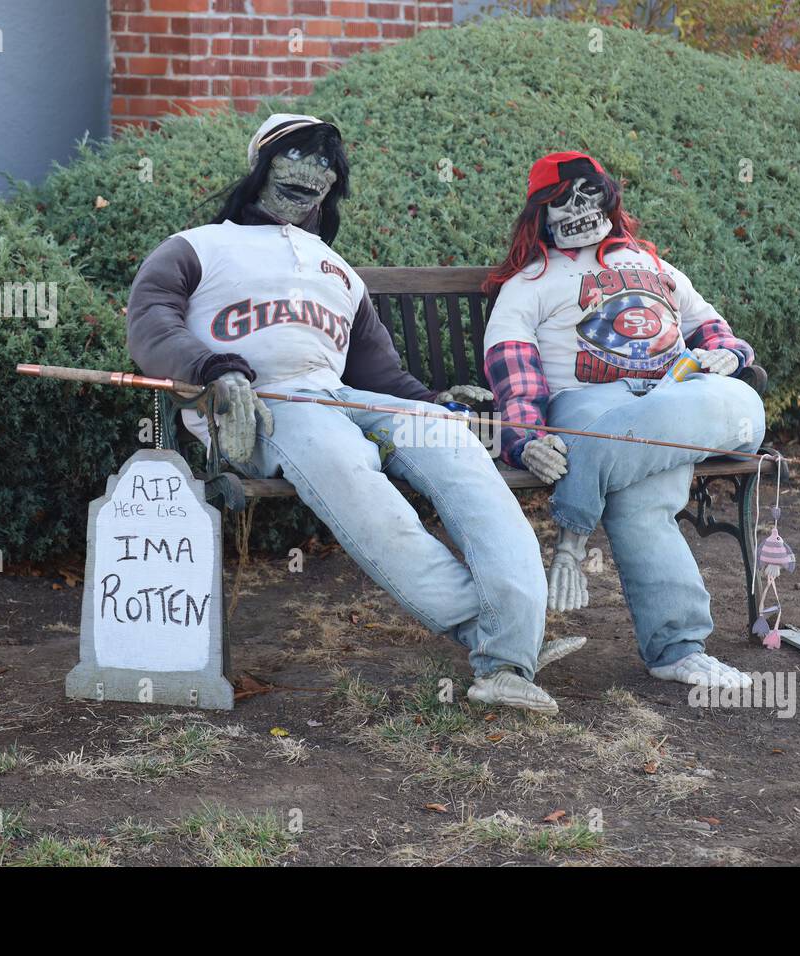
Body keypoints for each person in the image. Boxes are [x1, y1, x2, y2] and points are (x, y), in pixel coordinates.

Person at [125, 115, 581, 714]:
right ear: (261, 162)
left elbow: (380, 375)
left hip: (344, 400)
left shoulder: (337, 271)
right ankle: (496, 642)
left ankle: (511, 649)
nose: (312, 174)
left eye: (325, 164)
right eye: (298, 157)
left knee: (454, 445)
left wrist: (440, 407)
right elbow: (150, 318)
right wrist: (214, 369)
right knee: (350, 470)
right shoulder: (196, 246)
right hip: (263, 407)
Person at [483, 151, 765, 689]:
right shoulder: (531, 282)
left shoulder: (653, 265)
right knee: (640, 498)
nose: (579, 211)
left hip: (683, 394)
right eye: (562, 202)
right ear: (540, 214)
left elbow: (711, 326)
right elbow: (513, 371)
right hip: (591, 403)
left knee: (742, 406)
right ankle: (677, 650)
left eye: (590, 197)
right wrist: (524, 439)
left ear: (609, 202)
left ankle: (571, 532)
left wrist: (729, 354)